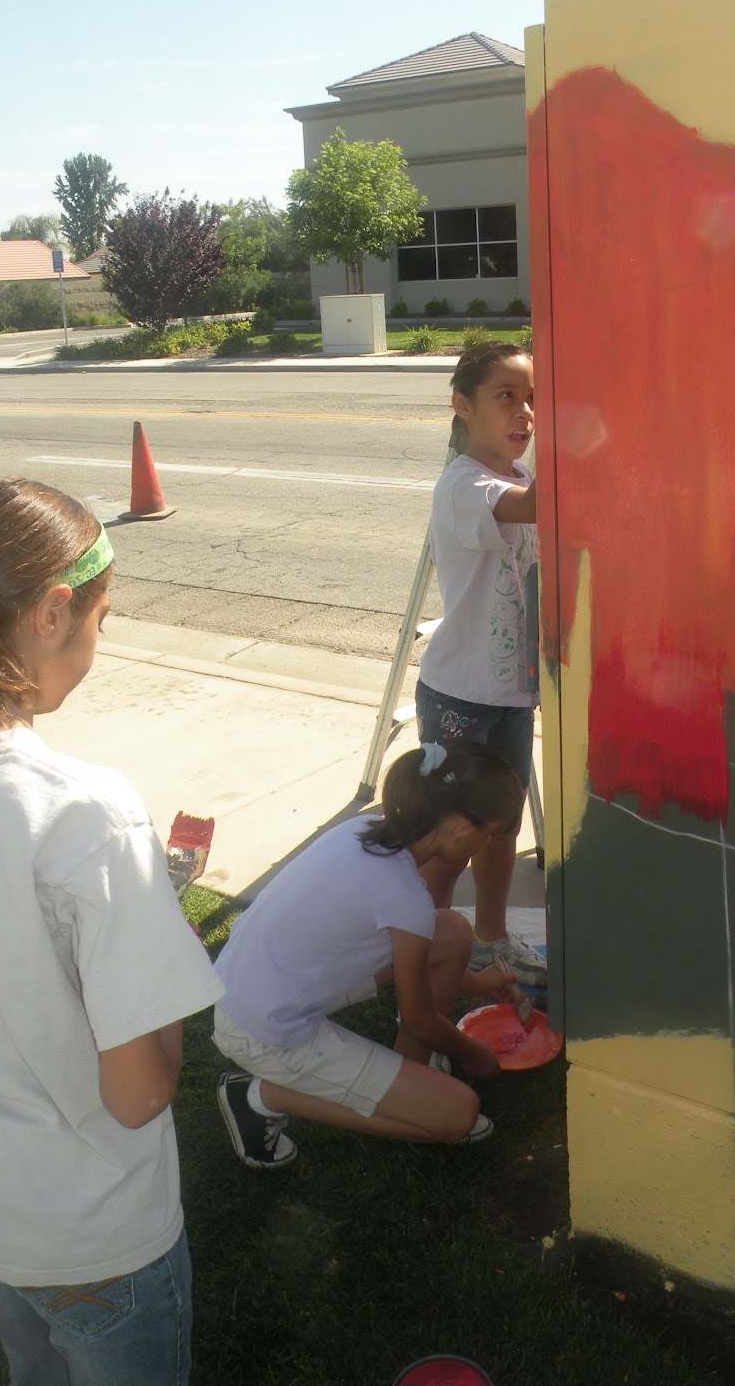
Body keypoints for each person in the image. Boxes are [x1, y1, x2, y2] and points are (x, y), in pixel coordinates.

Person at [0, 478, 223, 1386]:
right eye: (104, 619)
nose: (99, 645)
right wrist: (160, 962)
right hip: (96, 1233)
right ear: (54, 612)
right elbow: (140, 1094)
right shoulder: (86, 813)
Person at [212, 740, 524, 1166]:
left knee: (449, 930)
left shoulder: (362, 832)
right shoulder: (406, 898)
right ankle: (259, 1095)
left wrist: (478, 981)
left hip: (251, 986)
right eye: (489, 835)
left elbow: (414, 958)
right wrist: (474, 1054)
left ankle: (407, 1078)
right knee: (458, 1113)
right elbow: (418, 1018)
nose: (485, 844)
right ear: (463, 833)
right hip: (262, 1029)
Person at [415, 339, 545, 993]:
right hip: (460, 698)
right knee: (449, 838)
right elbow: (532, 511)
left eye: (532, 399)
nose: (524, 412)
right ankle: (426, 951)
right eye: (506, 396)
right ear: (463, 406)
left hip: (510, 696)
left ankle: (490, 943)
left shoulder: (517, 474)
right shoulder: (465, 485)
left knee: (501, 828)